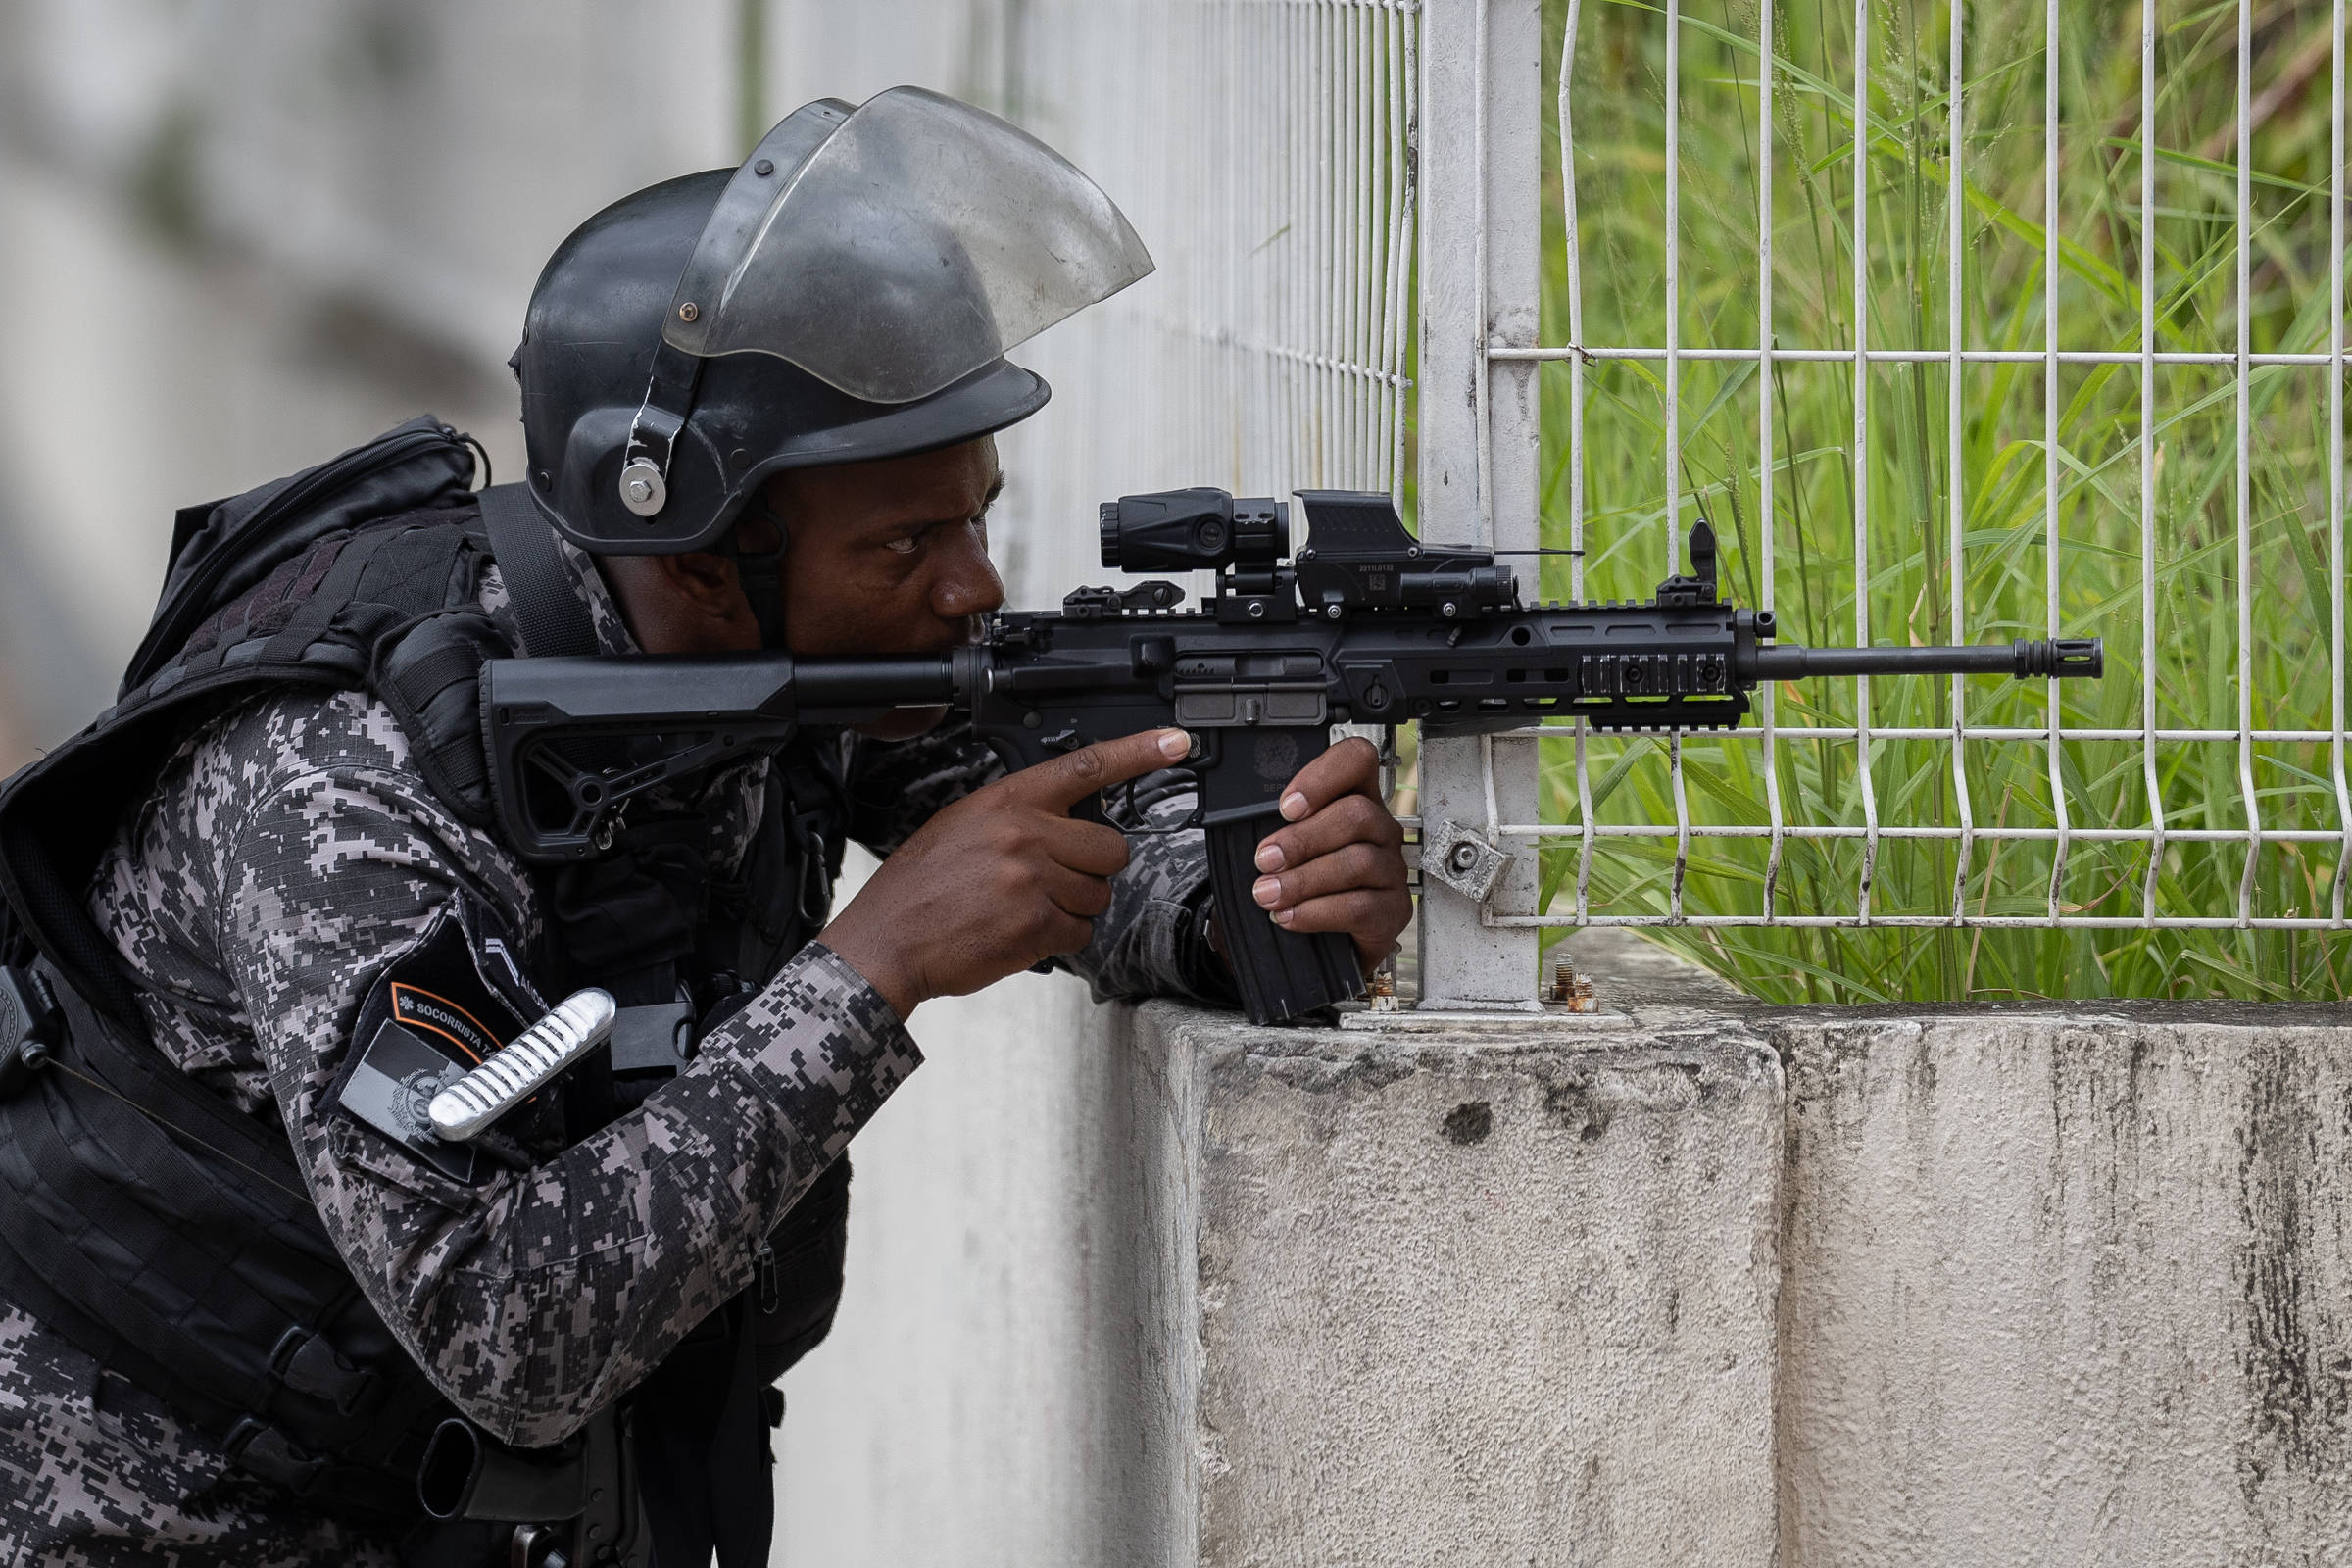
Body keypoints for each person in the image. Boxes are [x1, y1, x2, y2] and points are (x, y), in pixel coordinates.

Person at [0, 88, 1409, 1567]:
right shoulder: (346, 789)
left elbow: (1067, 833)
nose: (974, 589)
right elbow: (502, 1329)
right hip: (163, 1515)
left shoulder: (777, 664)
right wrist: (869, 975)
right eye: (909, 544)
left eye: (979, 519)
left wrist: (1253, 885)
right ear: (700, 557)